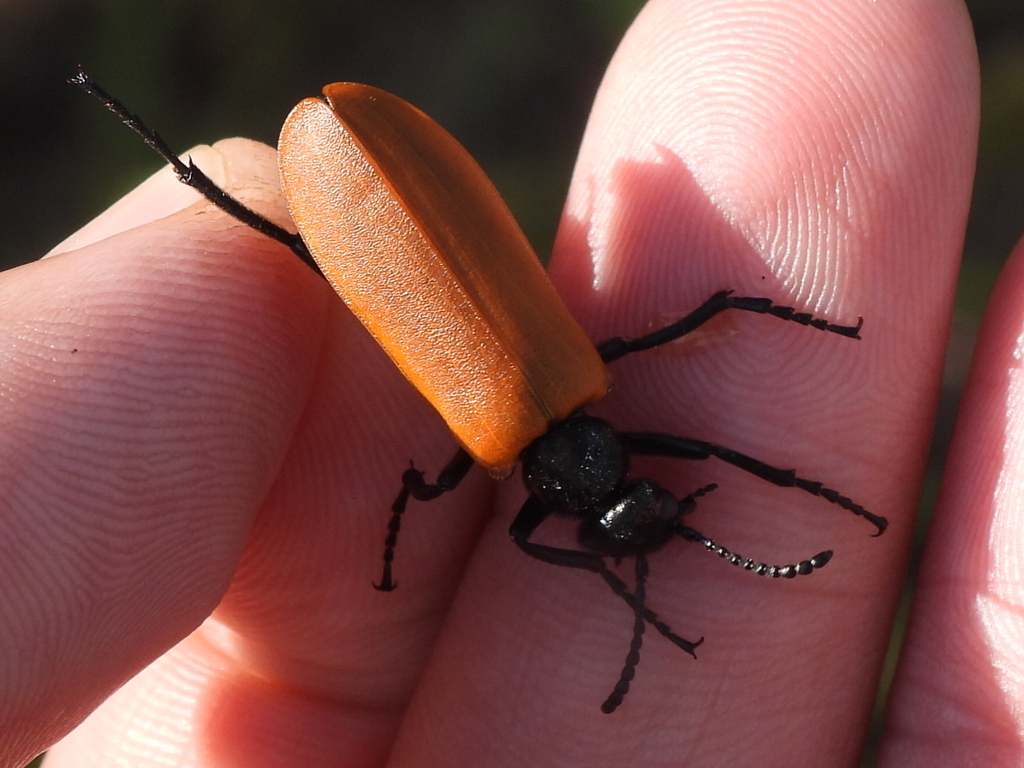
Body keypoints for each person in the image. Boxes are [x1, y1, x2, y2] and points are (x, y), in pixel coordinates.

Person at [2, 0, 989, 765]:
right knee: (279, 251)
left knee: (288, 253)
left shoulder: (572, 382)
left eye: (637, 516)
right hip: (379, 159)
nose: (660, 494)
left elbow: (715, 418)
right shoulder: (516, 438)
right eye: (664, 496)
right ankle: (168, 152)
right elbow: (703, 448)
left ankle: (163, 148)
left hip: (386, 173)